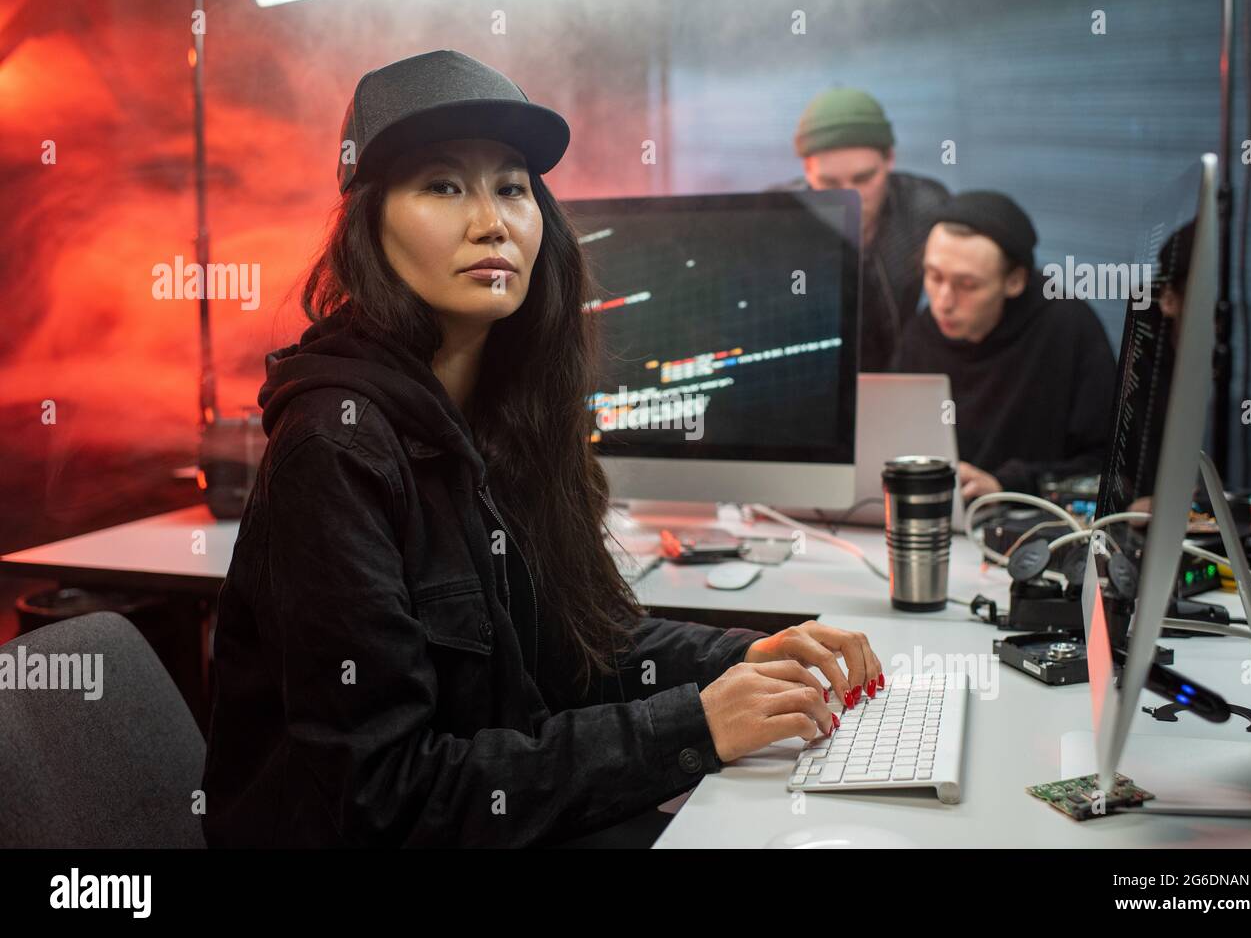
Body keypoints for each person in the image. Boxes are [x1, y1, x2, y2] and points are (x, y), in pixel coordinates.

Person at [200, 50, 884, 848]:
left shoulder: (503, 412)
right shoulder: (337, 448)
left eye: (512, 186)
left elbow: (571, 645)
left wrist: (739, 655)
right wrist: (694, 726)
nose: (491, 220)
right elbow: (383, 797)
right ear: (368, 225)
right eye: (443, 185)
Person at [893, 191, 1115, 501]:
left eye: (967, 285)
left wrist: (1007, 484)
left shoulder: (1067, 327)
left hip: (1036, 521)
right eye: (934, 276)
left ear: (1014, 281)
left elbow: (1109, 466)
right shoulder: (920, 334)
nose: (942, 301)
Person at [774, 87, 949, 371]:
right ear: (807, 170)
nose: (850, 197)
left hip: (899, 375)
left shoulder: (924, 208)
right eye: (830, 183)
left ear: (890, 159)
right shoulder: (780, 220)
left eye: (864, 178)